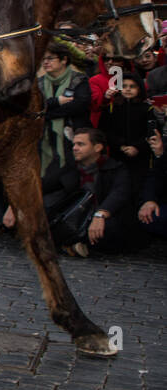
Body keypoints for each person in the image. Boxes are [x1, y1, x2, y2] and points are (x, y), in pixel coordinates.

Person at [44, 127, 143, 255]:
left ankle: (73, 245)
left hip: (102, 218)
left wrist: (101, 214)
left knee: (110, 228)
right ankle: (74, 245)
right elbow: (47, 186)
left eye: (81, 144)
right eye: (74, 144)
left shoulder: (115, 168)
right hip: (74, 219)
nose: (74, 148)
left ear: (97, 148)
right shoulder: (70, 168)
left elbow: (120, 193)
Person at [38, 44, 91, 179]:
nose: (46, 62)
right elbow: (34, 108)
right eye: (43, 59)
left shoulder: (79, 79)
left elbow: (79, 105)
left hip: (72, 137)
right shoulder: (39, 83)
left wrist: (46, 113)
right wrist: (56, 102)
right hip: (45, 139)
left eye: (50, 58)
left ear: (64, 60)